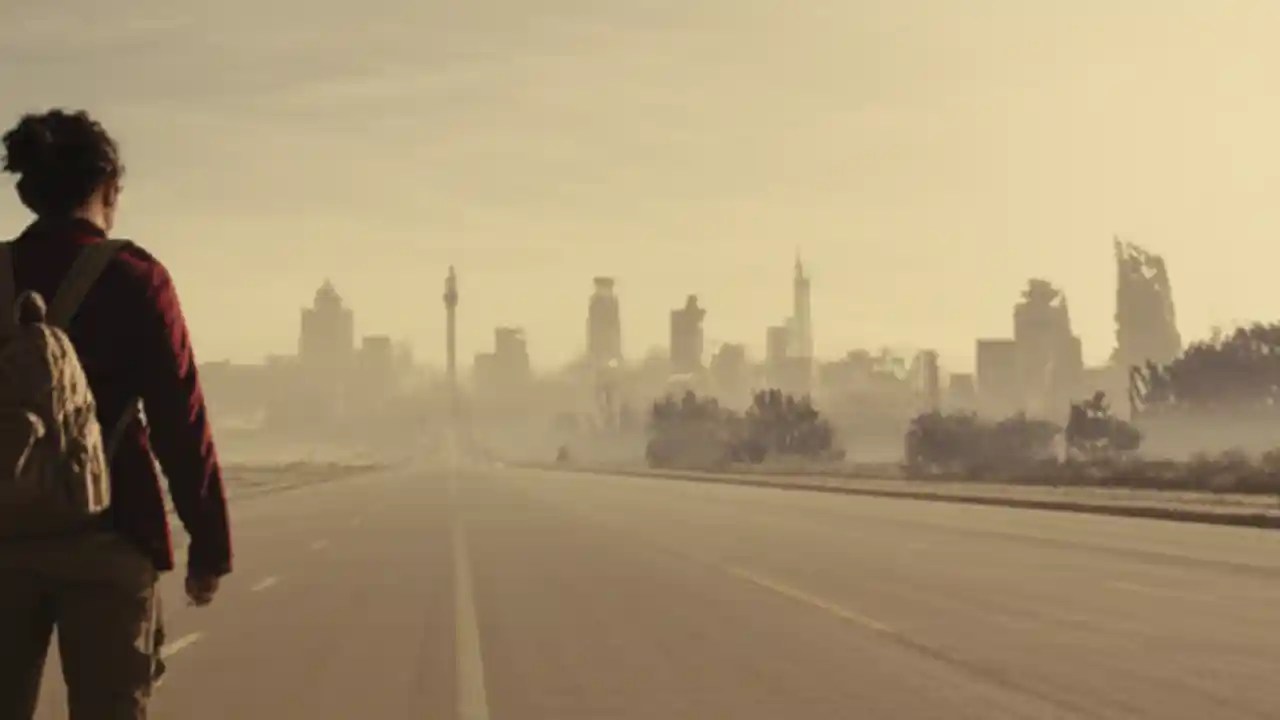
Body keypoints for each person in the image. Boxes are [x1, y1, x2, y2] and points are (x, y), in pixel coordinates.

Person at [0, 109, 233, 719]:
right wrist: (208, 545)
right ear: (107, 188)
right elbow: (180, 421)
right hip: (111, 533)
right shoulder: (136, 278)